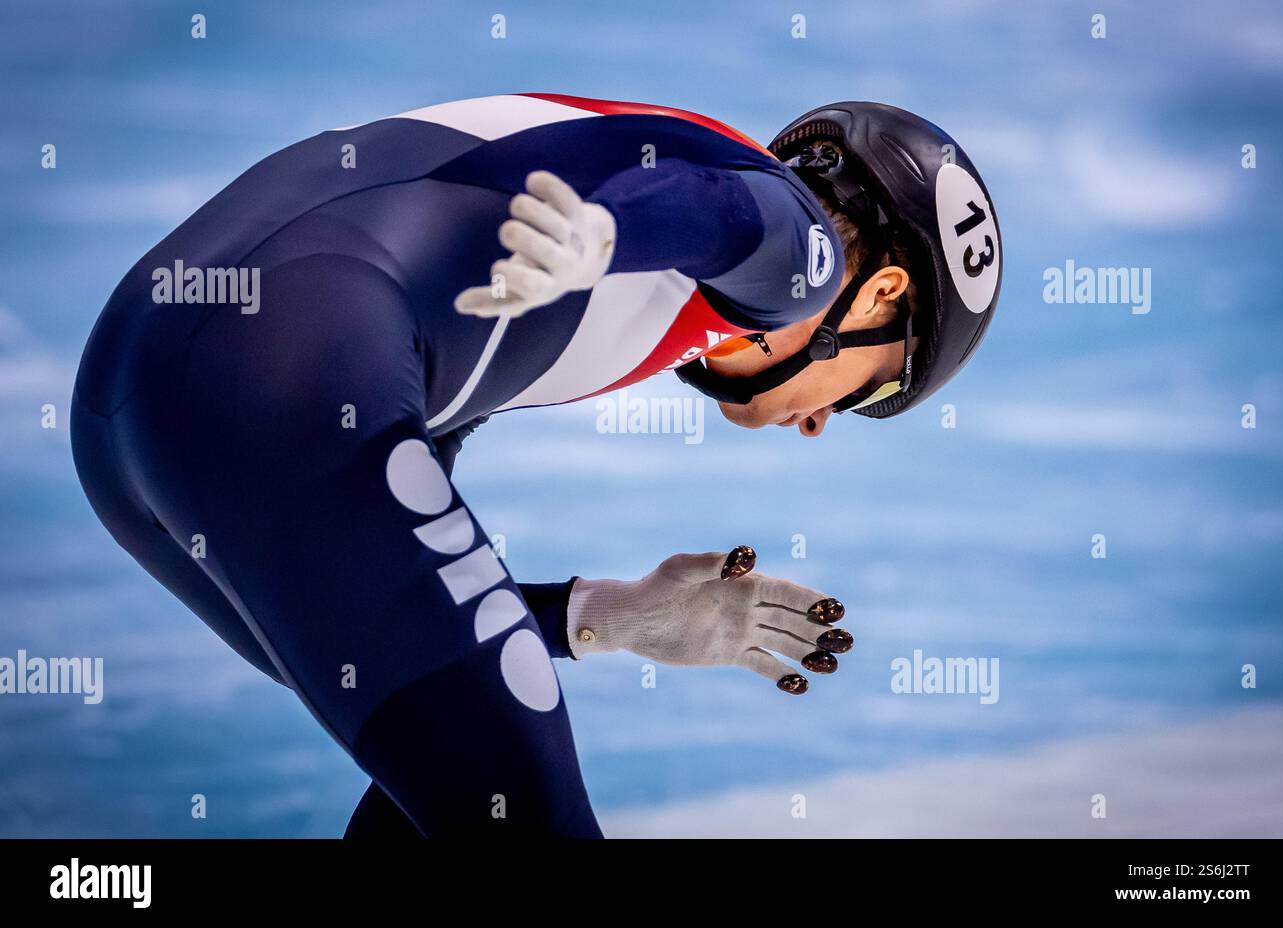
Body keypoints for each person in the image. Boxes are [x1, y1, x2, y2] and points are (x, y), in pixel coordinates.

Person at [70, 94, 1001, 838]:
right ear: (876, 291)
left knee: (442, 779)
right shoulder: (796, 244)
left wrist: (601, 617)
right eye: (866, 392)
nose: (819, 424)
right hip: (285, 364)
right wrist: (602, 231)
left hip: (121, 411)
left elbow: (360, 630)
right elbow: (733, 223)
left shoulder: (544, 308)